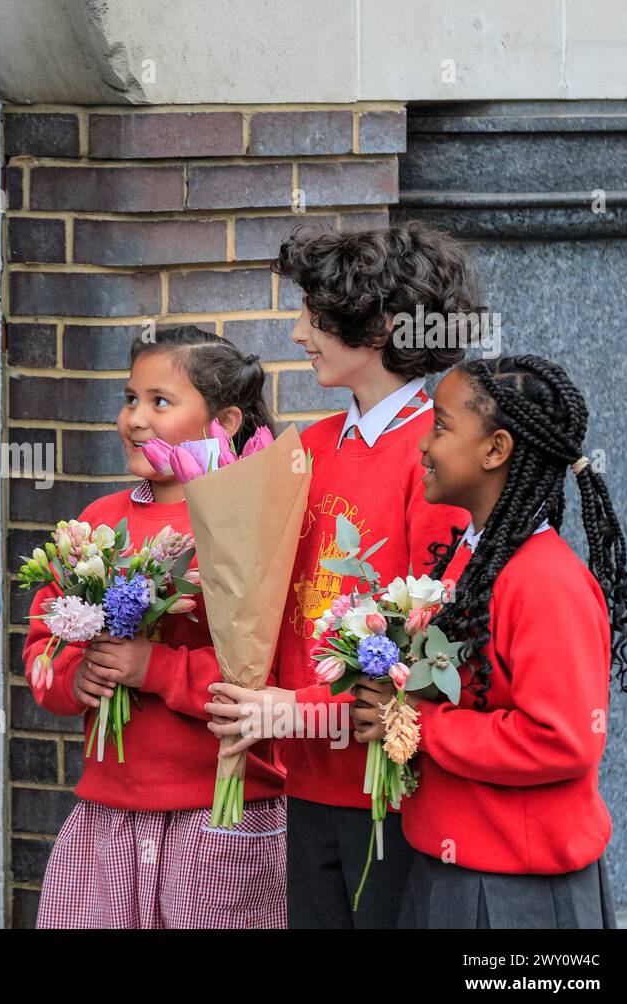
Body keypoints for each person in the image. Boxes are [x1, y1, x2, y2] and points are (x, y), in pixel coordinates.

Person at [205, 223, 480, 928]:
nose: (299, 333)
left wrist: (293, 708)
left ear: (381, 326)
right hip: (310, 775)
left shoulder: (436, 458)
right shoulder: (315, 445)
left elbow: (435, 643)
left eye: (316, 316)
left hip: (391, 786)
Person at [351, 355, 627, 928]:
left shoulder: (545, 580)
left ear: (495, 449)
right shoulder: (471, 559)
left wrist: (412, 724)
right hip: (448, 869)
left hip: (513, 894)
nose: (423, 446)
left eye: (441, 426)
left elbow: (561, 741)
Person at [23, 325, 288, 928]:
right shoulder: (97, 522)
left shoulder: (246, 521)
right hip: (108, 811)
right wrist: (74, 676)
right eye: (130, 398)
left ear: (222, 421)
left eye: (160, 402)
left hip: (220, 816)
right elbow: (43, 642)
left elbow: (268, 672)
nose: (135, 418)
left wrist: (156, 668)